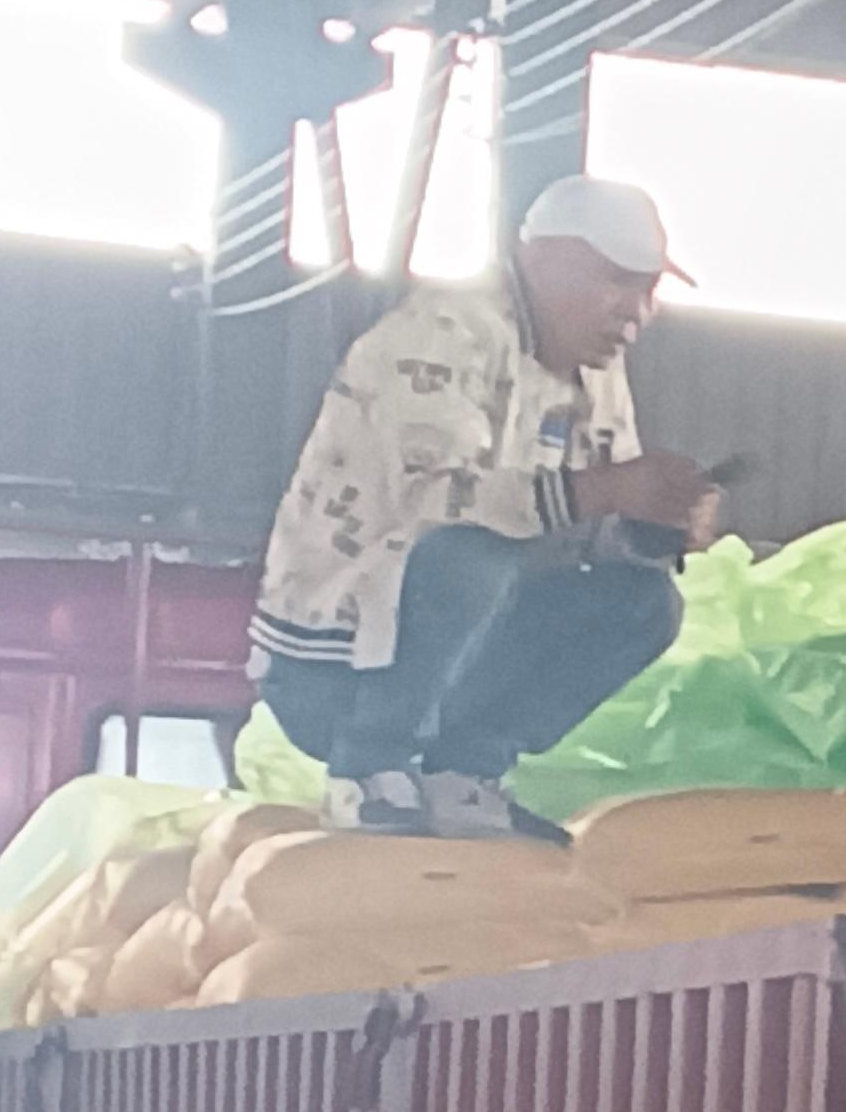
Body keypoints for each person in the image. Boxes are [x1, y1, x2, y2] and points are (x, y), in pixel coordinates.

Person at [250, 175, 725, 835]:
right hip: (335, 667)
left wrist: (657, 525)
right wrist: (608, 489)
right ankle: (367, 773)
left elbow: (589, 519)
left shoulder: (596, 370)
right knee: (473, 554)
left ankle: (465, 774)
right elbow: (442, 502)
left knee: (645, 601)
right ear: (542, 259)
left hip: (459, 658)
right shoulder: (442, 331)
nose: (637, 312)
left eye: (649, 291)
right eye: (618, 282)